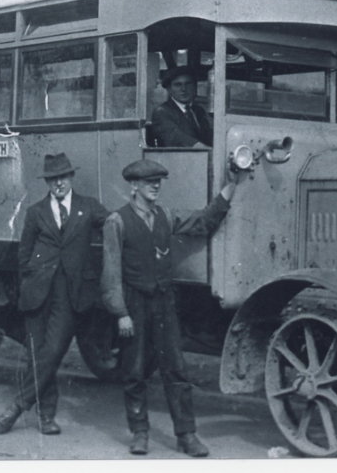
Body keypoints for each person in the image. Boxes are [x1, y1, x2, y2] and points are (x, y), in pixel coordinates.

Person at [100, 159, 240, 456]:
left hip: (164, 303)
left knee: (176, 369)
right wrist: (121, 313)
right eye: (149, 182)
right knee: (135, 370)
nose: (155, 186)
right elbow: (110, 274)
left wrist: (231, 186)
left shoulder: (165, 214)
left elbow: (202, 221)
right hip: (134, 303)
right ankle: (139, 433)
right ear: (134, 186)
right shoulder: (117, 221)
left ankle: (186, 435)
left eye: (158, 181)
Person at [0, 153, 109, 436]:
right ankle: (46, 417)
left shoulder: (88, 207)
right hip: (37, 294)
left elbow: (116, 224)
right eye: (53, 178)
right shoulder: (35, 212)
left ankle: (16, 408)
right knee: (37, 355)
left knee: (53, 352)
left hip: (70, 296)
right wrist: (30, 281)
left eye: (63, 177)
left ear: (71, 178)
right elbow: (24, 254)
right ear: (48, 182)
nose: (59, 183)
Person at [150, 66, 214, 148]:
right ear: (169, 89)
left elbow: (209, 138)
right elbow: (176, 137)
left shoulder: (199, 111)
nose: (183, 89)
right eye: (177, 85)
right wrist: (204, 149)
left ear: (194, 87)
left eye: (188, 84)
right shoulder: (162, 112)